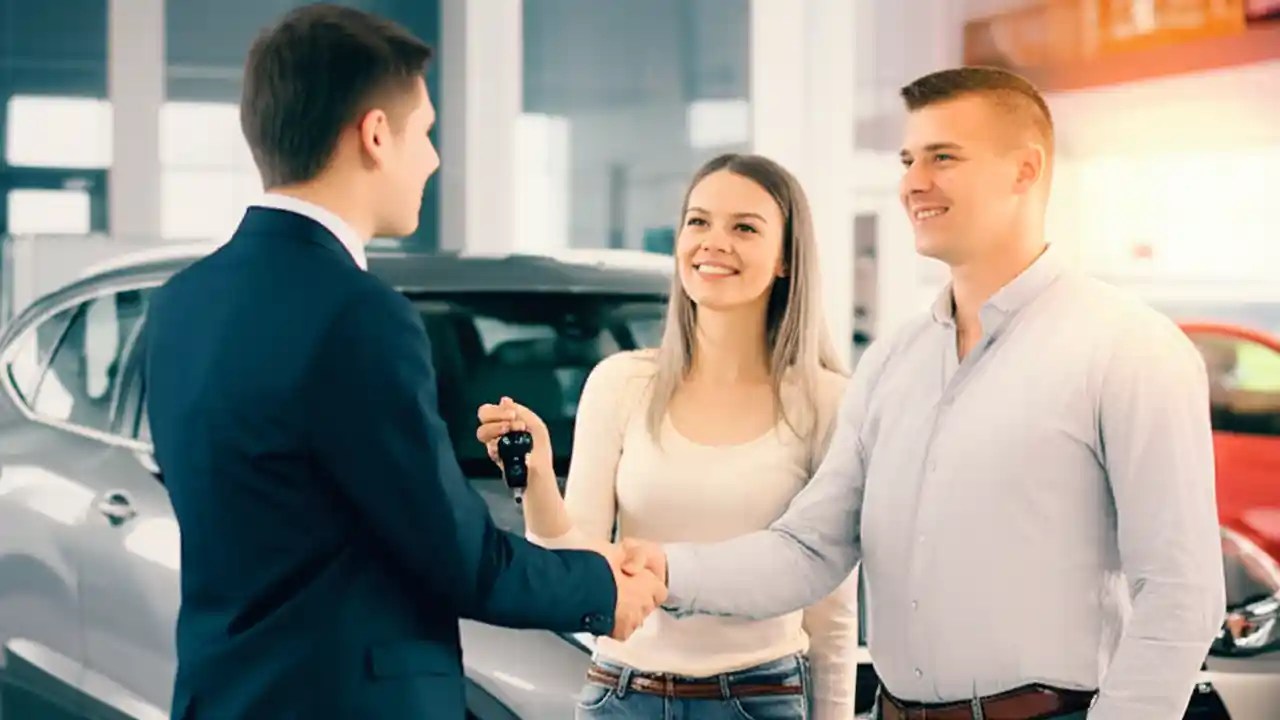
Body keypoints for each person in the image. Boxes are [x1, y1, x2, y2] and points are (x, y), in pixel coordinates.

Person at [484, 67, 1229, 719]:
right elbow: (810, 548)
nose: (912, 181)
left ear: (1024, 171)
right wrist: (670, 568)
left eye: (944, 157)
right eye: (908, 158)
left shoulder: (1128, 349)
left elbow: (1181, 596)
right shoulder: (896, 362)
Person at [143, 5, 665, 719]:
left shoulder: (180, 303)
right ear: (376, 135)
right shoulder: (359, 313)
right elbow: (456, 555)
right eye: (425, 131)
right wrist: (604, 587)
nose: (434, 157)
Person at [476, 153, 860, 719]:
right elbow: (571, 567)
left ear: (785, 259)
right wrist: (536, 480)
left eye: (745, 228)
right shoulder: (621, 383)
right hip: (619, 695)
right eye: (698, 222)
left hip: (760, 700)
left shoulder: (829, 401)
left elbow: (831, 609)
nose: (713, 242)